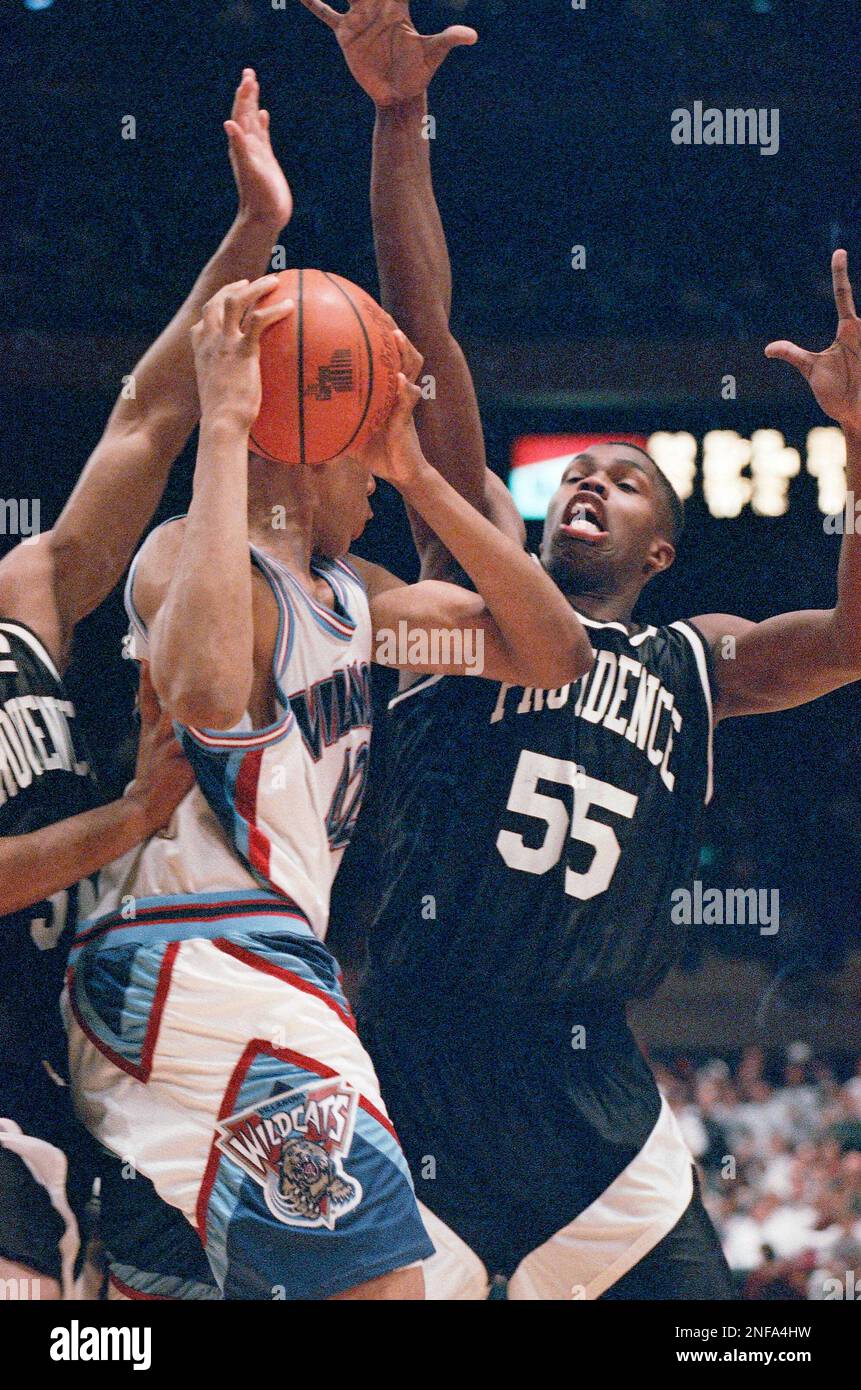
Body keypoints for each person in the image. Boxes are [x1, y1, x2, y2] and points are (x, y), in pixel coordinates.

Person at [305, 0, 861, 1299]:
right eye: (586, 473)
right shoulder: (472, 568)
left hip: (596, 1093)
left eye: (628, 479)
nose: (598, 480)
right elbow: (426, 338)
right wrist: (399, 122)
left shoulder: (693, 661)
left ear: (661, 553)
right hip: (417, 1051)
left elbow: (850, 639)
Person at [64, 256, 593, 1300]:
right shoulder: (189, 556)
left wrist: (417, 470)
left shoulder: (364, 609)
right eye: (360, 456)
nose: (370, 485)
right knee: (392, 1289)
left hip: (211, 985)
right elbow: (210, 692)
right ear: (313, 443)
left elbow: (555, 654)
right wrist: (225, 425)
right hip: (210, 958)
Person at [0, 67, 294, 1299]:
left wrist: (252, 235)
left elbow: (141, 426)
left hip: (79, 1108)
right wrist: (124, 820)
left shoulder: (27, 595)